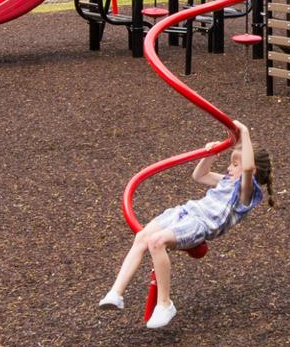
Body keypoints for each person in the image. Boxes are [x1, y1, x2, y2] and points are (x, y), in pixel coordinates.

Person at [99, 121, 272, 329]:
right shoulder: (227, 181)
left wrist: (243, 132)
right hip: (184, 211)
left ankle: (165, 304)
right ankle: (116, 293)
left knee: (156, 242)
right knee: (142, 237)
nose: (229, 168)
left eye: (234, 164)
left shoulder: (246, 194)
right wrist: (211, 154)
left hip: (200, 224)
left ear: (252, 173)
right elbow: (199, 176)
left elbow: (247, 168)